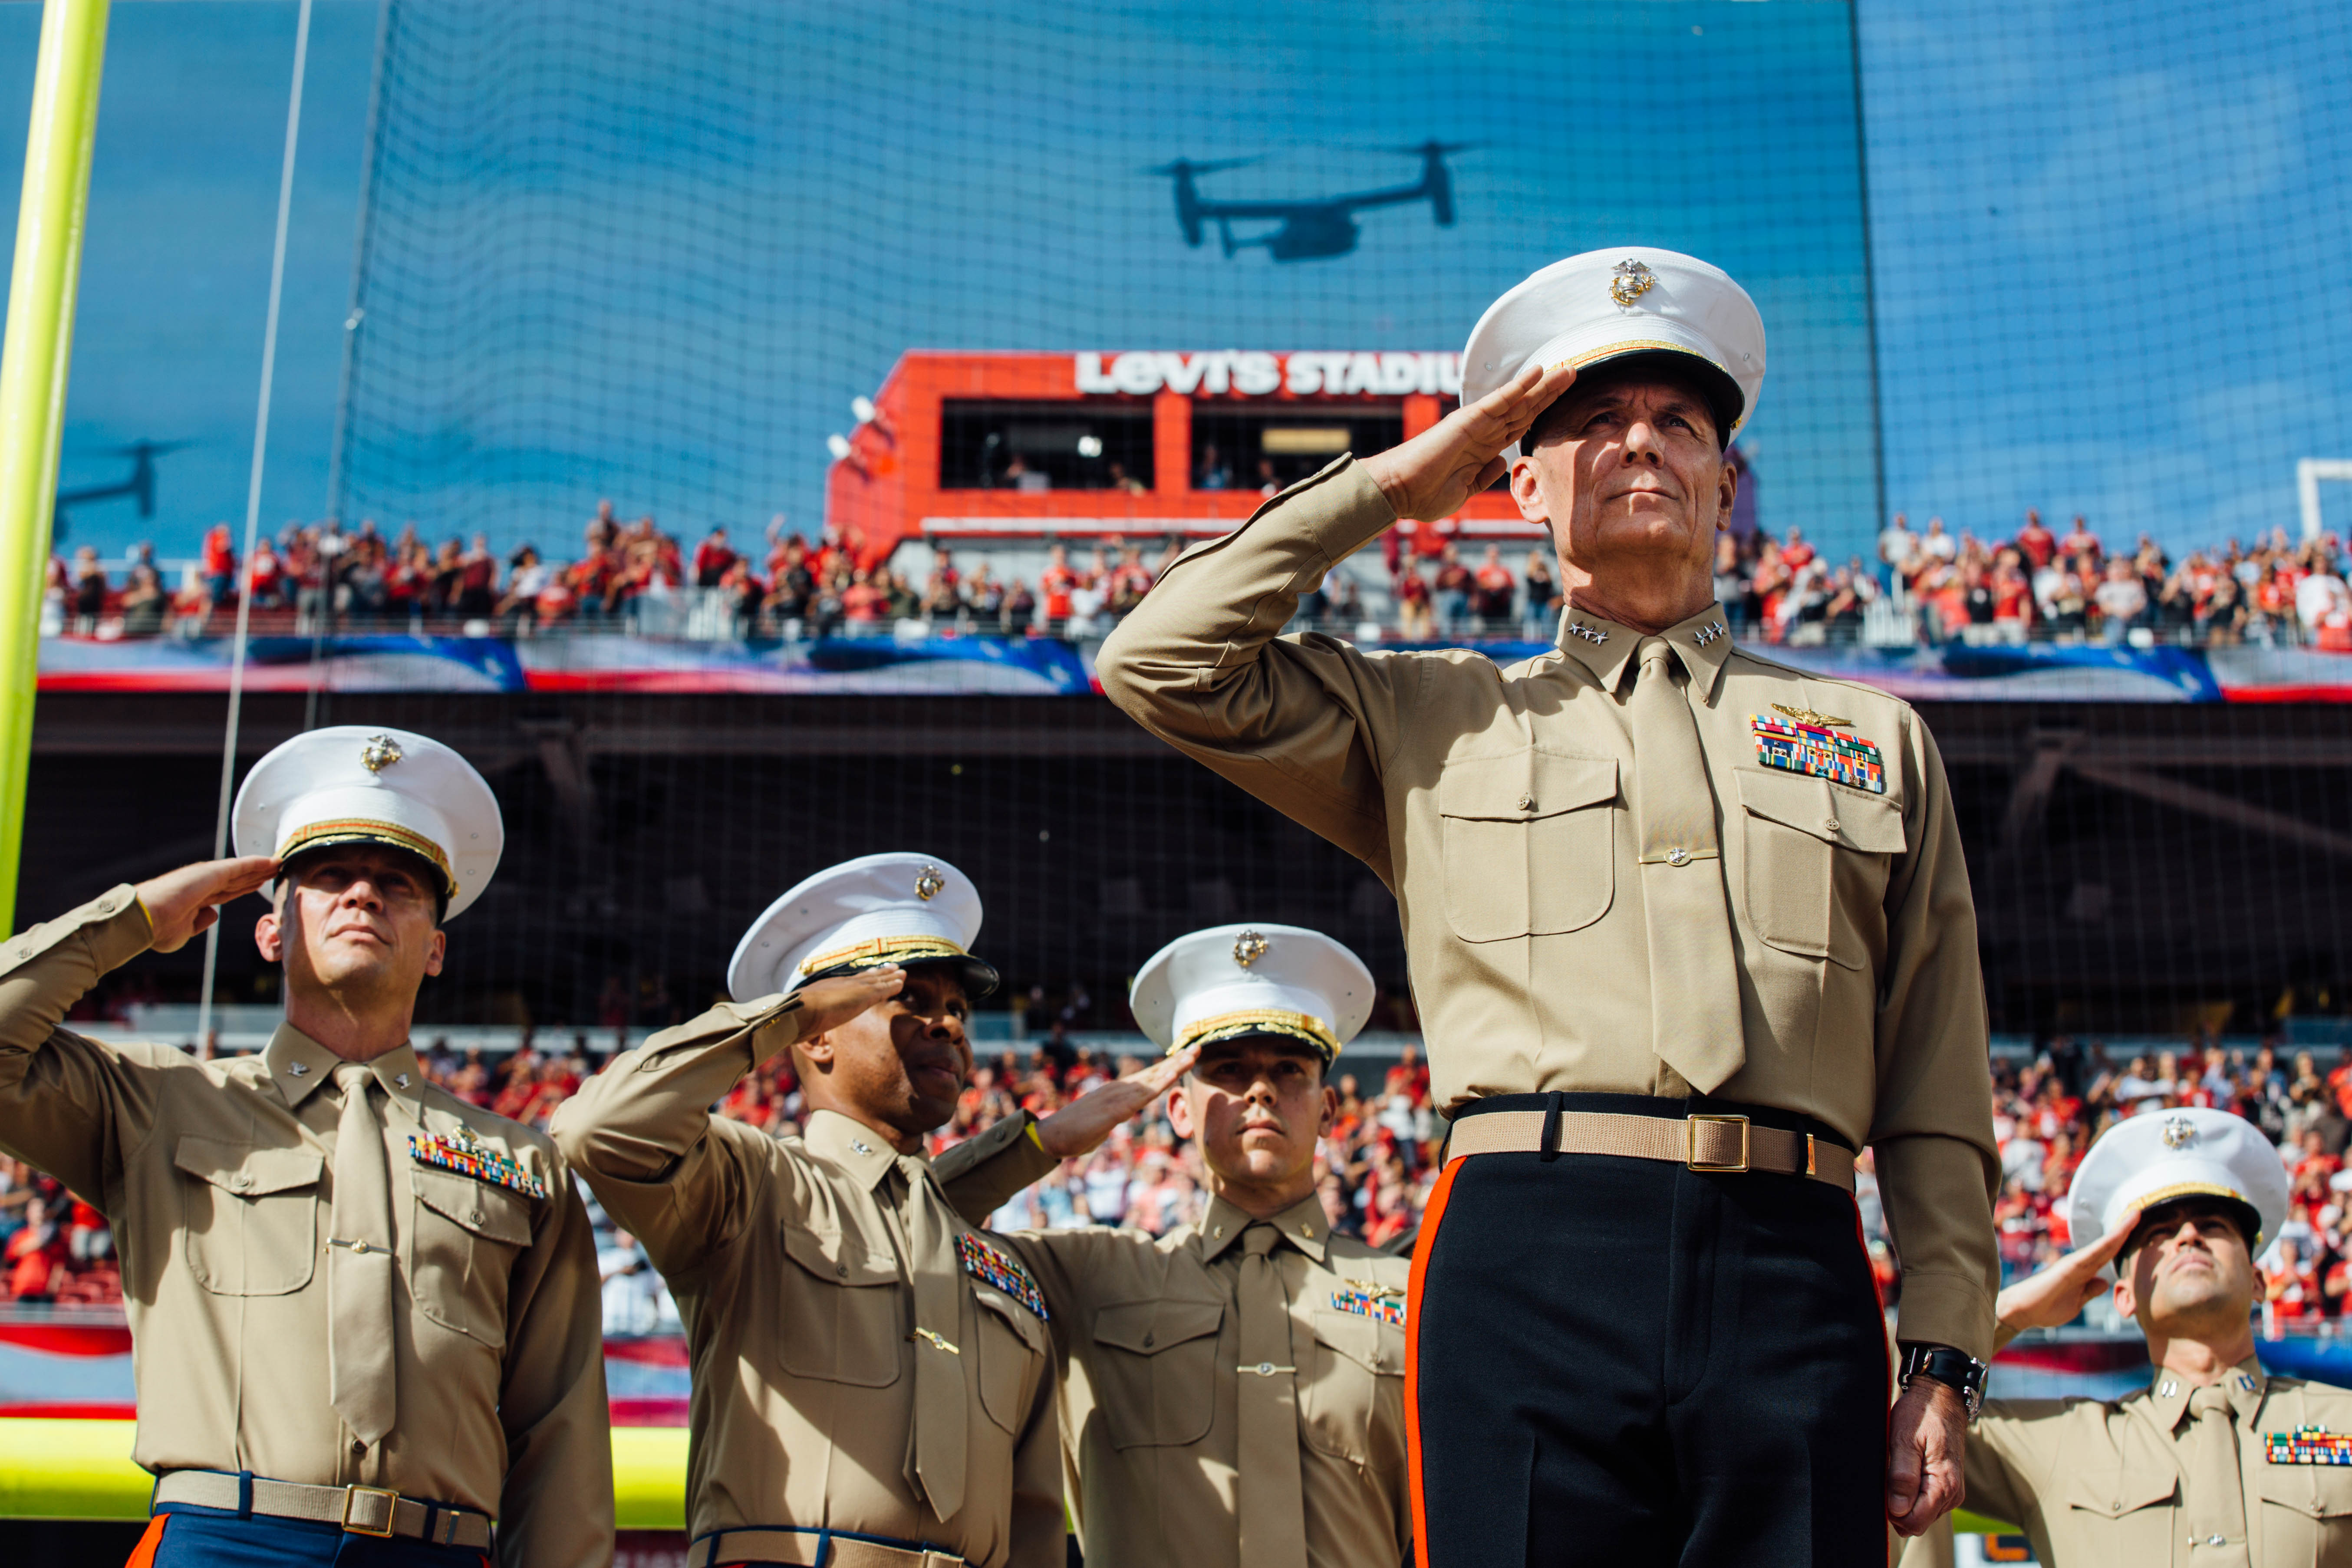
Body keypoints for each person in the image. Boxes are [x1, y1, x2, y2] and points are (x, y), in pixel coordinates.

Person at [1095, 247, 1999, 1565]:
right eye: (1589, 424)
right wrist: (1395, 485)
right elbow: (1157, 662)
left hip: (1794, 1263)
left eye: (1679, 424)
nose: (1641, 445)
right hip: (1525, 1253)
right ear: (1516, 479)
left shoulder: (1875, 737)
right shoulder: (1425, 714)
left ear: (1726, 484)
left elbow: (1935, 1075)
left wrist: (1948, 1354)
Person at [0, 726, 612, 1565]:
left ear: (435, 948)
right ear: (269, 931)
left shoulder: (522, 1161)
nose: (364, 895)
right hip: (225, 1537)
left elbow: (559, 1425)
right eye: (328, 879)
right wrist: (135, 918)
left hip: (436, 1548)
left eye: (398, 885)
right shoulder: (156, 1102)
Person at [549, 853, 1189, 1568]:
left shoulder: (996, 1269)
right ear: (819, 1034)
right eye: (908, 999)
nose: (947, 1023)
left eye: (955, 1008)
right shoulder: (754, 1186)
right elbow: (598, 1128)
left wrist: (1037, 1142)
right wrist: (792, 1010)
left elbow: (1033, 1513)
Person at [936, 923, 1411, 1568]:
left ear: (1329, 1110)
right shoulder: (1092, 1276)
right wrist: (1045, 1140)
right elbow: (912, 1225)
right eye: (1228, 1070)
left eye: (1287, 1070)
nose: (1260, 1090)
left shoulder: (1411, 1289)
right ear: (1178, 1110)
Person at [1907, 1106, 2352, 1567]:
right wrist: (2011, 1313)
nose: (2188, 1236)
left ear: (2260, 1281)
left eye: (2214, 1226)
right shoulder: (2060, 1443)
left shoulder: (2344, 1422)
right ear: (2123, 1296)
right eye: (2159, 1234)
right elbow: (1901, 1427)